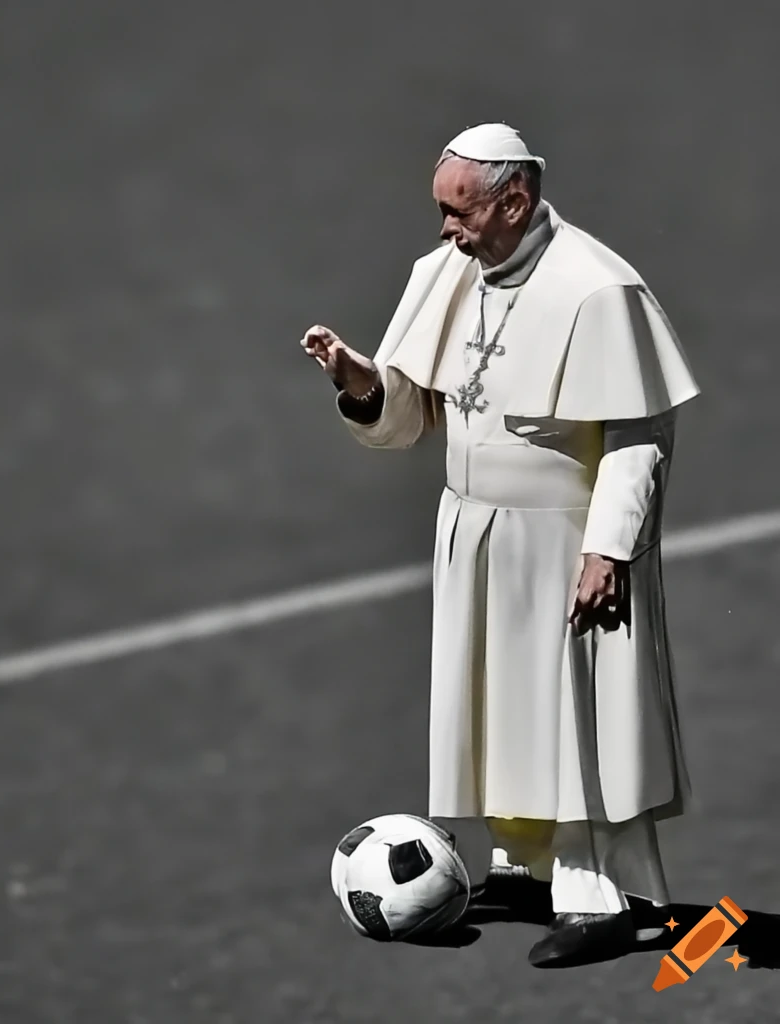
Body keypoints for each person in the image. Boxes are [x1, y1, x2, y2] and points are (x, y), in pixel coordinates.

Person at [300, 122, 700, 966]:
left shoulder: (597, 290)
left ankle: (601, 898)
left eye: (458, 212)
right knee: (496, 708)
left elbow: (639, 432)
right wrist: (363, 383)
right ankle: (524, 867)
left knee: (574, 718)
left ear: (512, 202)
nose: (445, 230)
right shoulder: (445, 275)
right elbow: (411, 414)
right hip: (474, 532)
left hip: (563, 537)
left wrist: (610, 548)